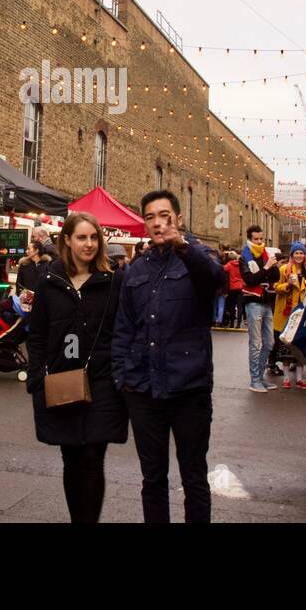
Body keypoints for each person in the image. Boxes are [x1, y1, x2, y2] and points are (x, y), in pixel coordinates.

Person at [112, 190, 226, 523]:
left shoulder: (197, 256)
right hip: (144, 390)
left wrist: (182, 246)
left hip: (188, 389)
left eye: (165, 215)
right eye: (150, 217)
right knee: (153, 479)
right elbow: (124, 327)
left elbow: (216, 281)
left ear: (178, 218)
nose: (158, 223)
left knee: (193, 477)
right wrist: (123, 377)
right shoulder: (136, 268)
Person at [26, 212, 127, 523]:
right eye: (82, 237)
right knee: (71, 457)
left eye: (94, 238)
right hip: (61, 380)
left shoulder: (114, 281)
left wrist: (121, 374)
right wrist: (37, 377)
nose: (89, 244)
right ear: (66, 240)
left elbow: (124, 331)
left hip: (103, 382)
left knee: (93, 457)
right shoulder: (48, 280)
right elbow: (38, 333)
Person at [239, 226, 277, 392]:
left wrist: (271, 267)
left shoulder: (266, 255)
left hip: (267, 302)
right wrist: (266, 268)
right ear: (250, 239)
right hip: (253, 302)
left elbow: (275, 277)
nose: (260, 242)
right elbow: (250, 280)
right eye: (256, 239)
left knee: (269, 343)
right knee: (255, 344)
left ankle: (260, 377)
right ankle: (255, 380)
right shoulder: (244, 257)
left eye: (261, 239)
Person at [275, 243, 306, 389]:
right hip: (287, 313)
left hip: (302, 313)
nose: (299, 256)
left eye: (301, 253)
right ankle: (286, 378)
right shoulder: (284, 269)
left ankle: (299, 378)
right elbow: (276, 288)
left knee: (300, 346)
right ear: (291, 255)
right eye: (296, 253)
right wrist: (288, 286)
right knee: (286, 348)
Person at [221, 250, 244, 328]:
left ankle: (231, 323)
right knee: (240, 306)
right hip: (241, 287)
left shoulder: (229, 264)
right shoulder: (241, 264)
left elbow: (222, 269)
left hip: (232, 287)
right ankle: (238, 324)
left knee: (232, 306)